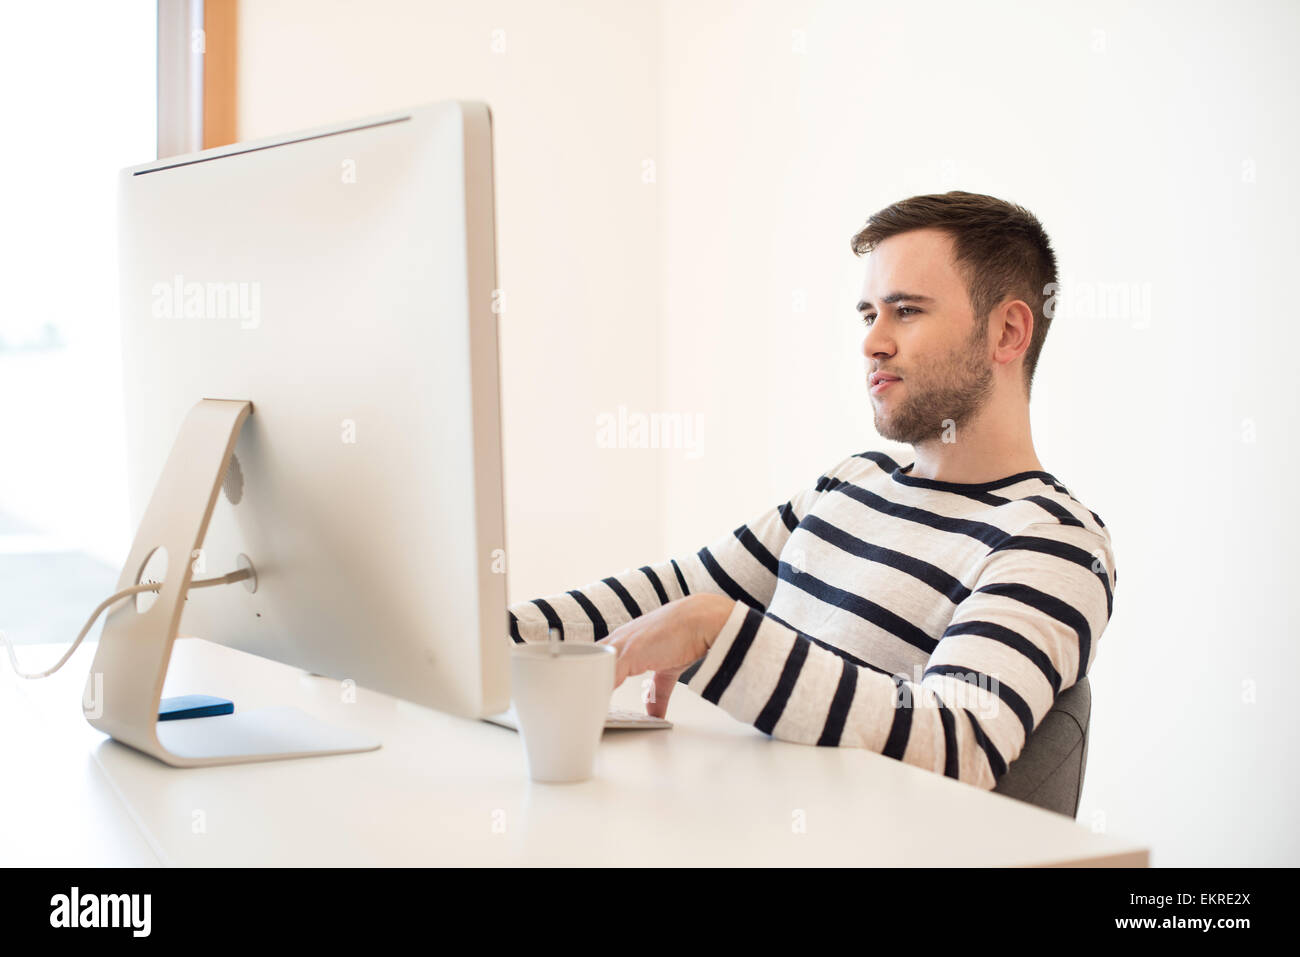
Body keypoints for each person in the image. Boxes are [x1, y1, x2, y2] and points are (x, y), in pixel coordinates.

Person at [507, 191, 1116, 790]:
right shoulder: (850, 484)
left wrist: (722, 632)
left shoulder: (1052, 542)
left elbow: (958, 742)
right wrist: (485, 641)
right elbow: (664, 599)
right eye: (868, 314)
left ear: (1007, 332)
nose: (872, 341)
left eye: (906, 311)